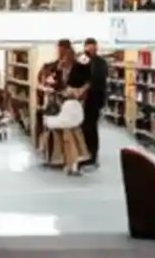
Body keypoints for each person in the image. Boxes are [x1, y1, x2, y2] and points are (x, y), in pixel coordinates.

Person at [40, 39, 91, 175]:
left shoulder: (78, 64)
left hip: (71, 103)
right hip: (63, 102)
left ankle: (72, 162)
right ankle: (67, 161)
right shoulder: (58, 65)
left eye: (62, 49)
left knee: (69, 133)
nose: (60, 52)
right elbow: (55, 82)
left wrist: (78, 92)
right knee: (65, 134)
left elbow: (86, 82)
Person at [80, 37, 109, 169]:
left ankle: (92, 155)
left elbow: (97, 79)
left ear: (96, 48)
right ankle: (85, 153)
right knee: (84, 128)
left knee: (91, 127)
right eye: (88, 47)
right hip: (83, 99)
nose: (90, 50)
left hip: (94, 99)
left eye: (93, 47)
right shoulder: (82, 60)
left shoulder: (101, 63)